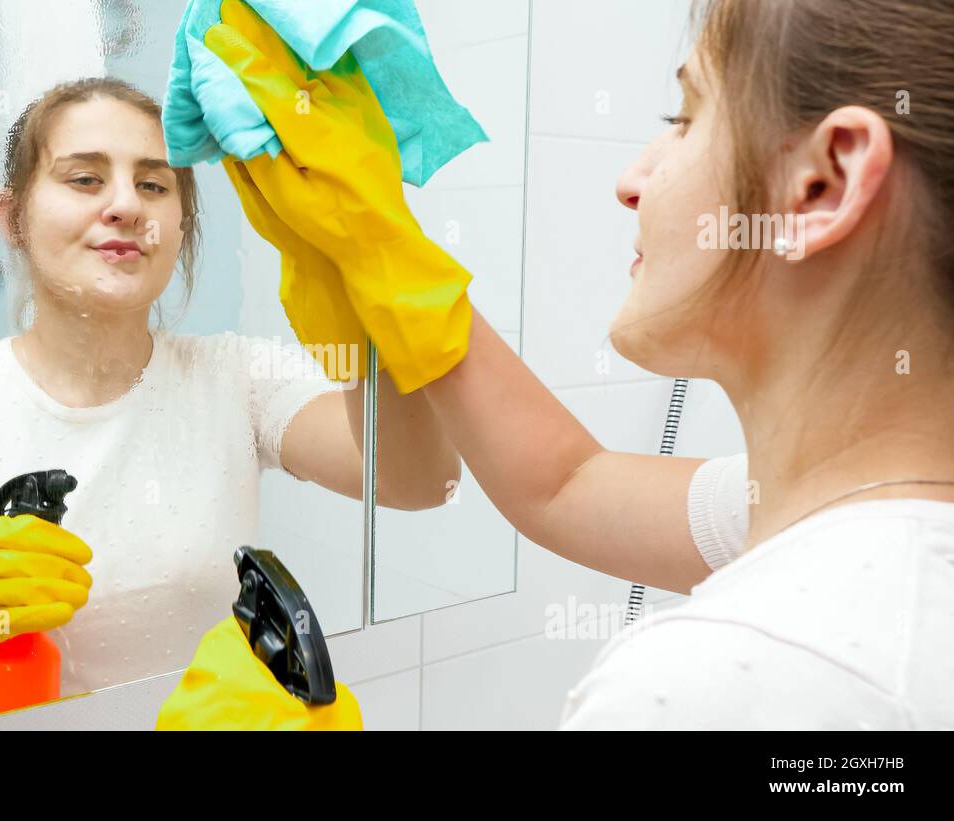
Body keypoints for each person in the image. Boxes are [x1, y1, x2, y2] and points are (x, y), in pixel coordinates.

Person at [209, 0, 954, 728]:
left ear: (823, 184)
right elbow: (565, 483)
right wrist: (381, 250)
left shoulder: (716, 680)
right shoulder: (865, 523)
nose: (631, 179)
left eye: (684, 119)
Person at [0, 77, 460, 730]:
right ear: (12, 219)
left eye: (153, 183)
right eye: (84, 179)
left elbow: (423, 478)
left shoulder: (238, 377)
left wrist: (365, 292)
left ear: (180, 223)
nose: (124, 204)